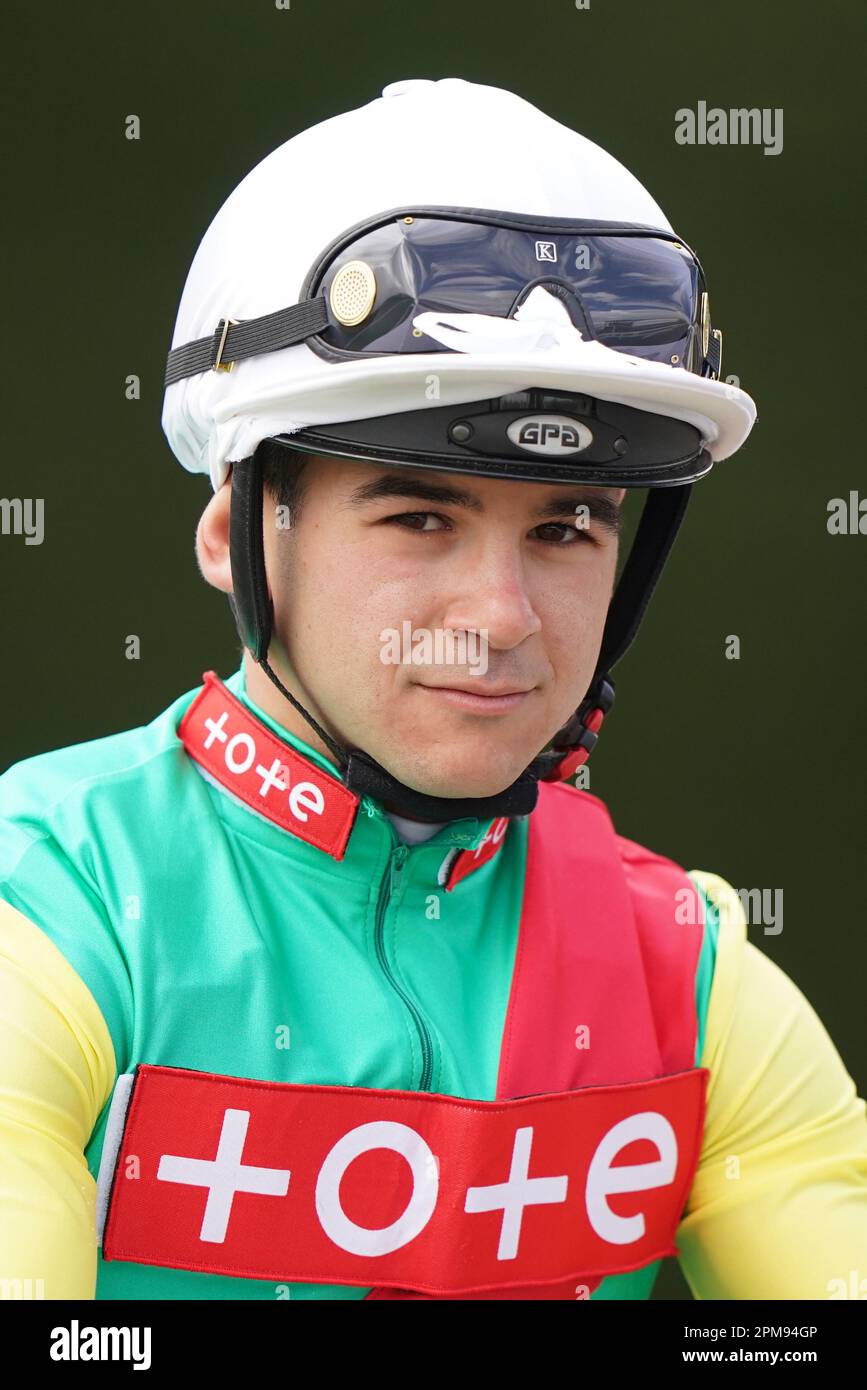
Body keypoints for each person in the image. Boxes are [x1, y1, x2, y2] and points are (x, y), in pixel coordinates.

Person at [1, 77, 864, 1302]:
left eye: (568, 528)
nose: (503, 617)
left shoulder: (691, 969)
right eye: (418, 516)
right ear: (235, 530)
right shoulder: (46, 908)